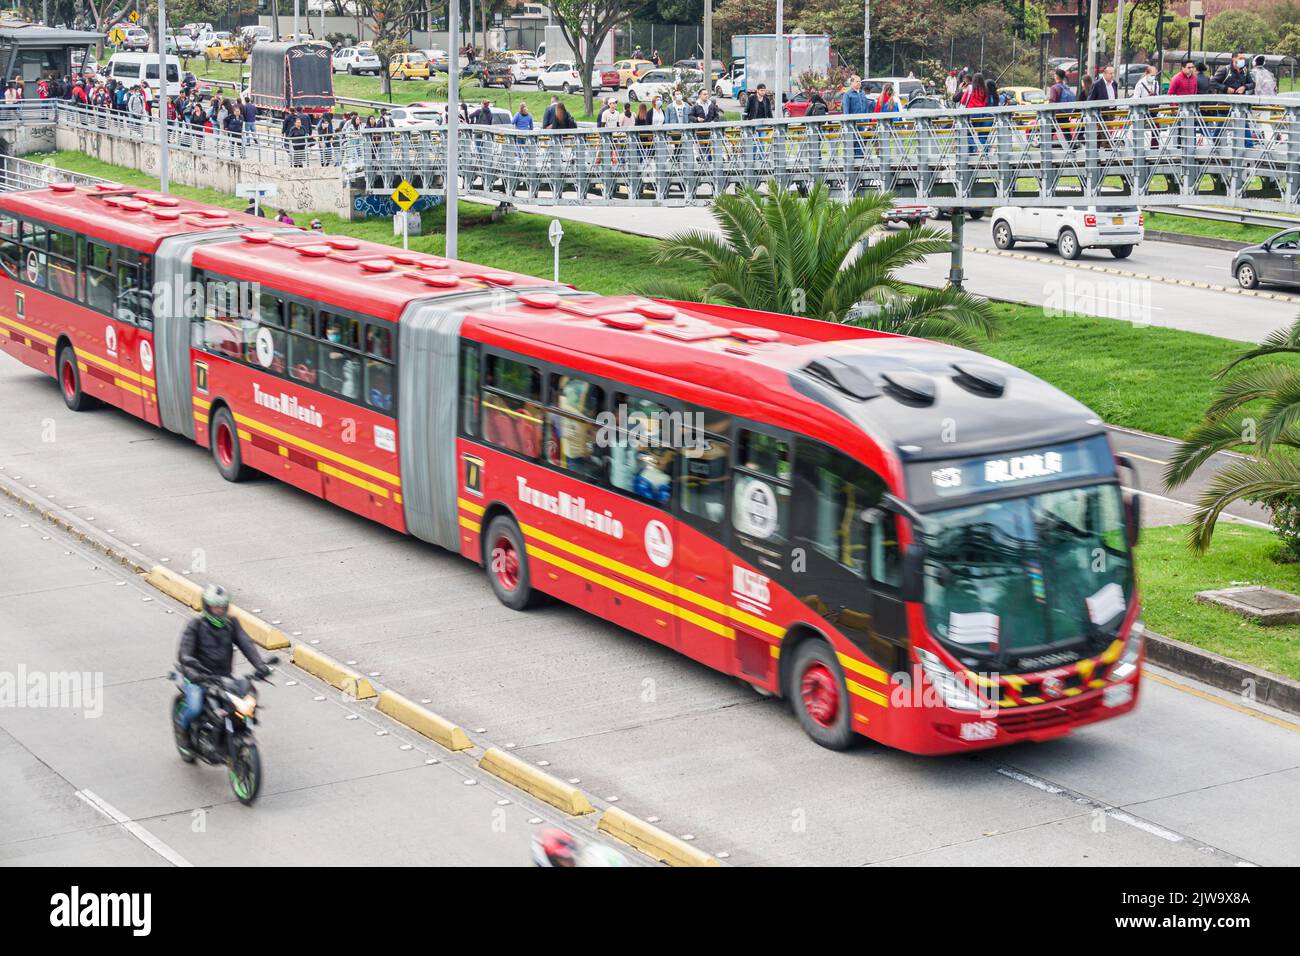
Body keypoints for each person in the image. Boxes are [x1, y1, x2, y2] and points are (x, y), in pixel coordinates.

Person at [173, 584, 272, 746]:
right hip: (198, 678)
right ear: (207, 606)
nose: (219, 610)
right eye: (215, 607)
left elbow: (245, 643)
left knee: (242, 704)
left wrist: (260, 665)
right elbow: (184, 654)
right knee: (195, 707)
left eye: (222, 607)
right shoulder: (195, 625)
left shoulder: (231, 623)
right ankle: (182, 731)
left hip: (223, 679)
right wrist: (193, 673)